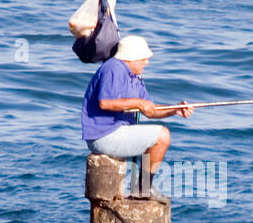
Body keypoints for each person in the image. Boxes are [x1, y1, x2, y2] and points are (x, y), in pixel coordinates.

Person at [81, 35, 192, 185]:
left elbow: (150, 110)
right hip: (103, 136)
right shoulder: (113, 68)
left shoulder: (134, 77)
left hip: (119, 131)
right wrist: (138, 103)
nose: (147, 62)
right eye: (143, 58)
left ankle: (141, 186)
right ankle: (142, 188)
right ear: (130, 58)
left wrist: (174, 109)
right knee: (162, 136)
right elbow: (105, 103)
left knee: (156, 137)